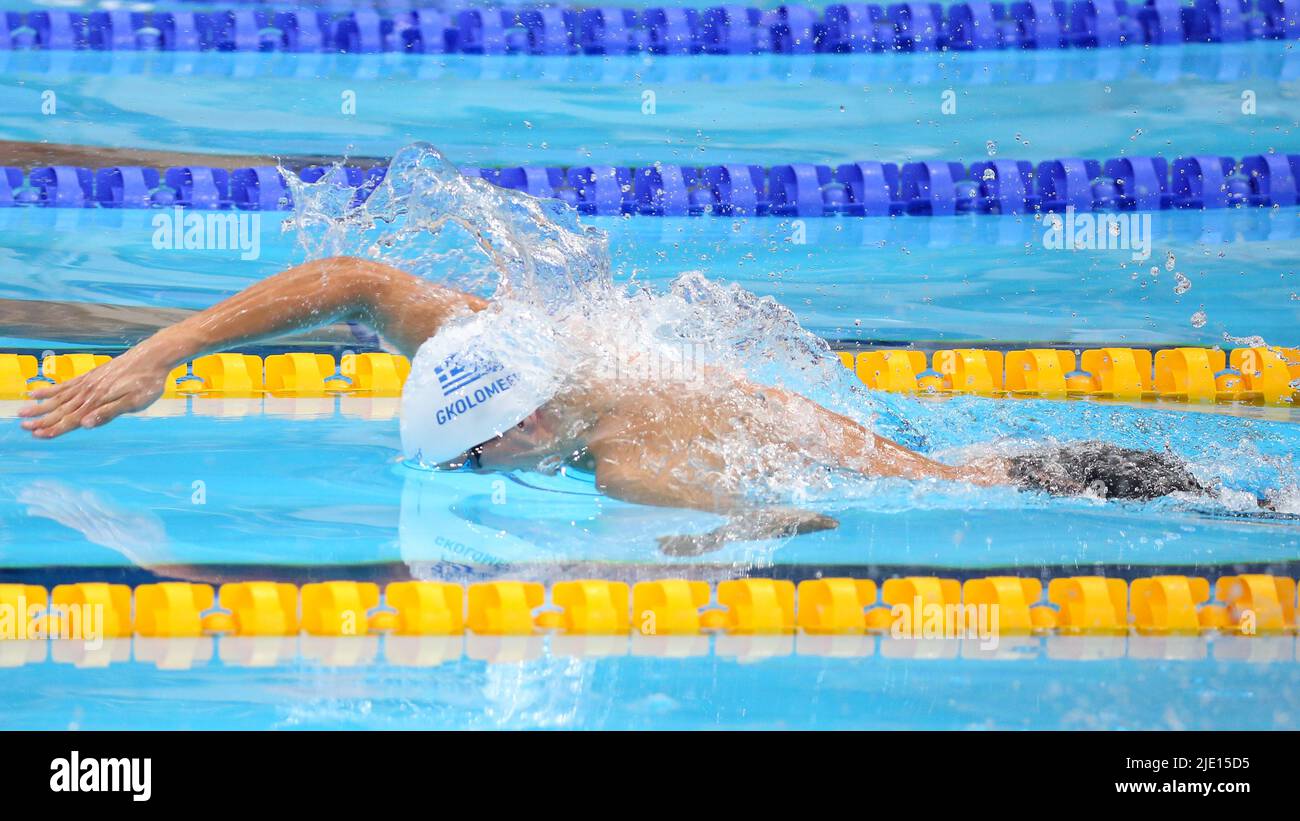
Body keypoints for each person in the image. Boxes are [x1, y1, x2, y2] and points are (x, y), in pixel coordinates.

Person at [18, 256, 1216, 554]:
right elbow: (349, 280)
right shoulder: (503, 340)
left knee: (963, 479)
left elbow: (795, 525)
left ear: (527, 426)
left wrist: (690, 543)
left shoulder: (628, 455)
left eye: (483, 462)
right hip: (983, 442)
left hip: (988, 482)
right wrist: (160, 353)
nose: (490, 476)